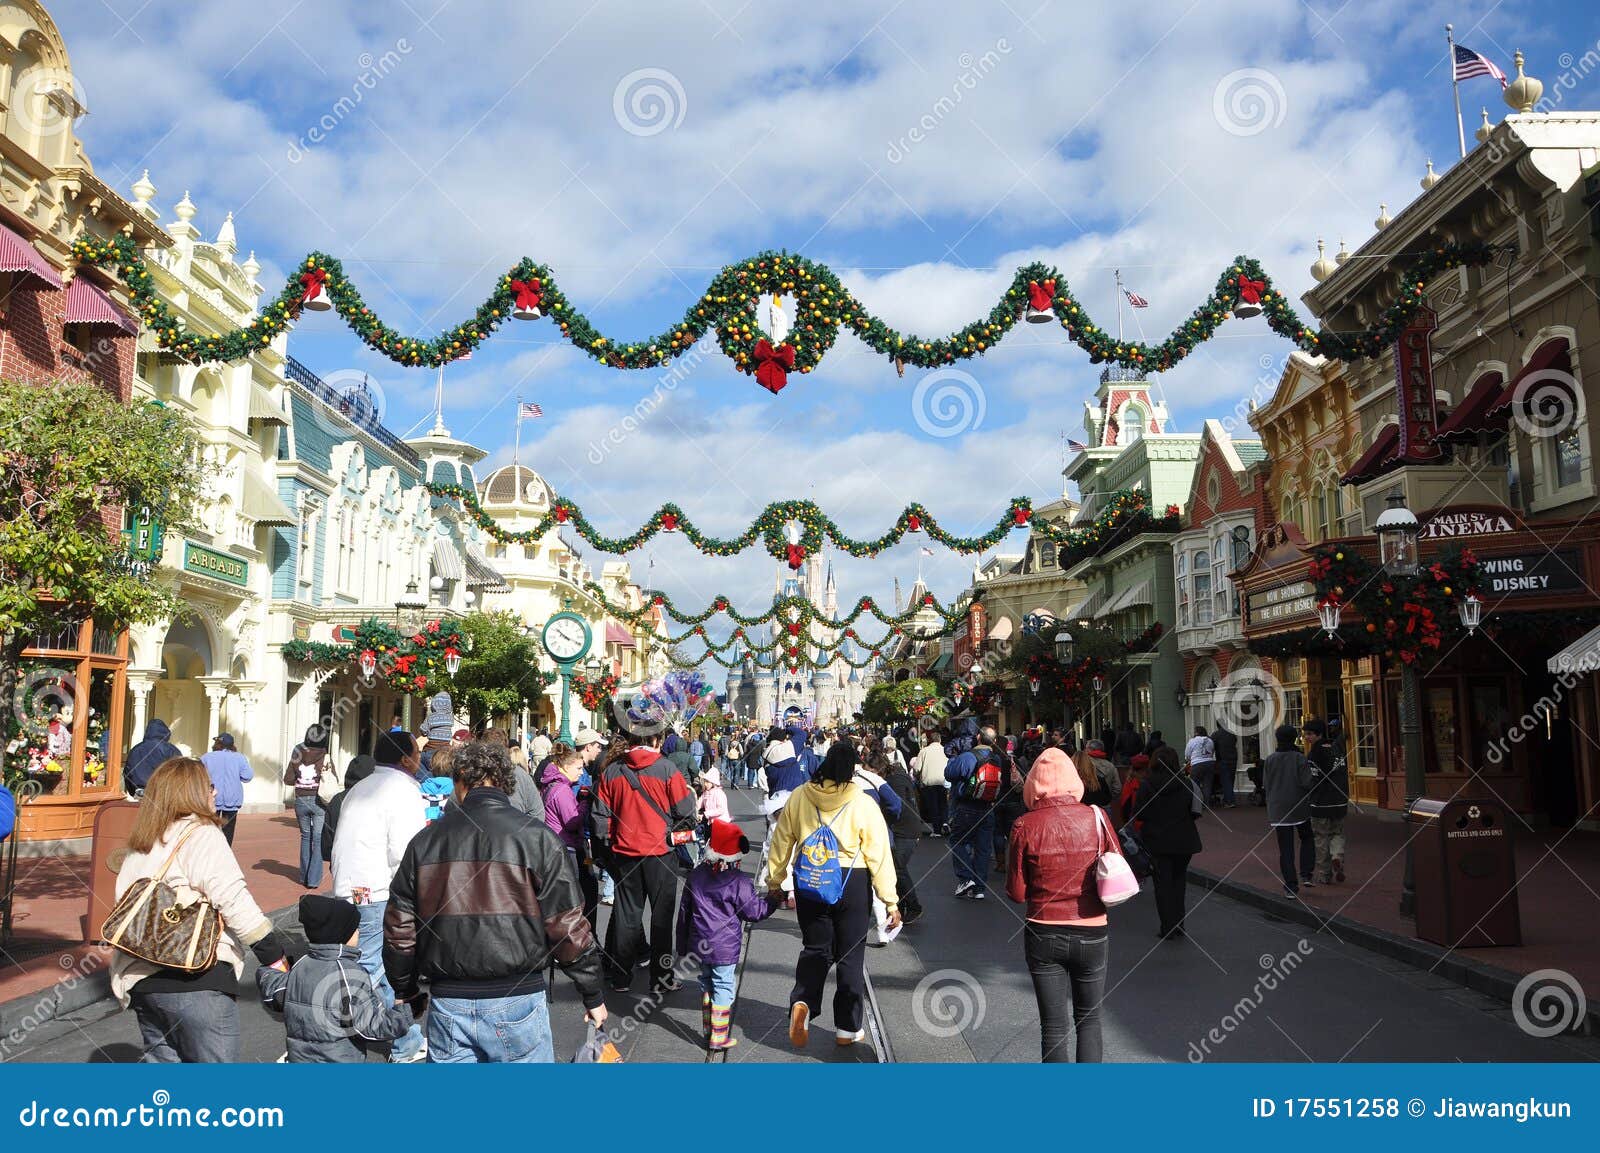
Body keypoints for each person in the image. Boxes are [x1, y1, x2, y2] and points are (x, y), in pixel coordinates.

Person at [386, 740, 607, 1063]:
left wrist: (404, 989)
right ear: (505, 783)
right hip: (517, 996)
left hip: (450, 998)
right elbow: (567, 926)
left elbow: (399, 928)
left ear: (460, 783)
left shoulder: (426, 842)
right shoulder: (537, 838)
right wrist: (592, 992)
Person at [109, 757, 289, 1062]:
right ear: (191, 792)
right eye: (209, 786)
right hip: (195, 980)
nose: (215, 793)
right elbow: (232, 898)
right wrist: (273, 955)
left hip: (143, 981)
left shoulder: (144, 839)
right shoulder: (201, 833)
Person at [766, 742, 899, 1048]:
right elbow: (878, 854)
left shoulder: (800, 796)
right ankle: (847, 1028)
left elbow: (781, 840)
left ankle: (803, 1003)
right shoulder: (863, 803)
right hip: (852, 880)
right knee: (851, 956)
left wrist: (775, 880)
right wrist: (890, 900)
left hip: (811, 880)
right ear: (852, 770)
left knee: (815, 948)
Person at [1004, 747, 1117, 1063]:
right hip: (1093, 928)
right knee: (1090, 1020)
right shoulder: (1097, 817)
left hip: (1044, 931)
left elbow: (1016, 892)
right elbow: (1117, 867)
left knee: (1053, 1026)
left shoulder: (1025, 825)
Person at [331, 731, 427, 1062]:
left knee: (375, 968)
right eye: (416, 753)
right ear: (405, 759)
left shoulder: (361, 786)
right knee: (372, 969)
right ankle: (399, 1042)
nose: (420, 759)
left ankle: (408, 1038)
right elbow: (406, 852)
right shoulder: (402, 790)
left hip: (351, 887)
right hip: (375, 890)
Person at [592, 726, 696, 992]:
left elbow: (600, 816)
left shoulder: (612, 771)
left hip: (625, 853)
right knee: (661, 920)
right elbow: (684, 809)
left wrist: (609, 845)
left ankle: (621, 977)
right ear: (656, 739)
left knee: (627, 917)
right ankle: (660, 979)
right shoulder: (667, 769)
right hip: (660, 851)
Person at [257, 894, 415, 1063]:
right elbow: (369, 1027)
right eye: (355, 929)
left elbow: (273, 990)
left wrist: (268, 969)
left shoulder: (300, 966)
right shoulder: (349, 974)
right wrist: (403, 1011)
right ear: (341, 935)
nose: (359, 932)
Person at [677, 818, 782, 1050]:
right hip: (725, 947)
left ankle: (709, 1029)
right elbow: (755, 912)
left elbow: (684, 912)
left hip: (699, 944)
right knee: (724, 985)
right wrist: (773, 901)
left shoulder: (695, 876)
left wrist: (682, 945)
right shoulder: (739, 881)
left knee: (706, 983)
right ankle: (719, 1035)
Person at [1133, 746, 1203, 940]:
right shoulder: (1187, 783)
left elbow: (1139, 813)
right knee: (1179, 882)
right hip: (1184, 840)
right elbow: (1195, 811)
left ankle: (1168, 926)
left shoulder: (1147, 785)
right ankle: (1179, 924)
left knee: (1162, 884)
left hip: (1157, 840)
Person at [944, 720, 1003, 899]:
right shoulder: (997, 759)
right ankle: (979, 888)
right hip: (988, 807)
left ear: (978, 737)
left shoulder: (968, 757)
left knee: (958, 841)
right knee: (983, 849)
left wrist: (954, 758)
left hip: (968, 806)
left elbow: (949, 773)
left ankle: (965, 878)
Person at [1263, 723, 1316, 897]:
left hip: (1278, 808)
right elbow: (1307, 783)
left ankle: (1291, 886)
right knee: (1307, 837)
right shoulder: (1299, 758)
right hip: (1298, 805)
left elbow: (1266, 784)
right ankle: (1306, 873)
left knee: (1285, 849)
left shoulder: (1270, 759)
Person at [879, 740, 926, 924]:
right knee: (896, 868)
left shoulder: (894, 780)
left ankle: (914, 906)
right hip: (907, 829)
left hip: (906, 830)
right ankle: (902, 905)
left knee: (898, 869)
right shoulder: (899, 776)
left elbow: (896, 807)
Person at [283, 725, 334, 888]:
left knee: (306, 837)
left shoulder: (297, 751)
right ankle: (313, 879)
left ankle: (303, 876)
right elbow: (333, 777)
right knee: (318, 839)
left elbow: (288, 779)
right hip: (319, 800)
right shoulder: (325, 754)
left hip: (301, 799)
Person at [1305, 718, 1349, 884]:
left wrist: (1309, 794)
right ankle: (1337, 856)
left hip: (1321, 802)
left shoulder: (1315, 753)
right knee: (1337, 833)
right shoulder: (1337, 748)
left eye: (1309, 734)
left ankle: (1325, 873)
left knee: (1321, 836)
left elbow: (1313, 779)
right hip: (1340, 800)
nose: (1306, 738)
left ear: (1318, 734)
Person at [321, 754, 375, 865]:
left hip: (341, 864)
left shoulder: (337, 800)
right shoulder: (378, 799)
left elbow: (326, 844)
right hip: (371, 865)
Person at [200, 733, 252, 844]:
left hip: (211, 798)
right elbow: (247, 776)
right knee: (228, 831)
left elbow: (198, 776)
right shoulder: (240, 758)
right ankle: (225, 854)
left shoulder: (206, 757)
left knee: (210, 830)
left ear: (217, 743)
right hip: (232, 799)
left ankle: (210, 854)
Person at [123, 718, 181, 795]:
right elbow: (180, 773)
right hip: (161, 794)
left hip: (139, 793)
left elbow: (128, 772)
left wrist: (132, 791)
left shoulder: (135, 750)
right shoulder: (170, 749)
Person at [914, 728, 949, 836]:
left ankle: (937, 830)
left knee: (933, 806)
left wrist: (917, 777)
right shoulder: (945, 750)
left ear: (930, 740)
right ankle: (945, 822)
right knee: (943, 804)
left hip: (929, 783)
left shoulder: (924, 751)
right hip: (943, 782)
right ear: (940, 740)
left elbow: (916, 769)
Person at [1076, 739, 1120, 811]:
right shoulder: (1111, 766)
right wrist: (1107, 798)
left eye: (1086, 748)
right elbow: (1117, 788)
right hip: (1104, 806)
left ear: (1089, 749)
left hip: (1086, 806)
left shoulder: (1083, 764)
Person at [1182, 725, 1218, 813]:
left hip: (1197, 764)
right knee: (1207, 784)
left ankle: (1196, 805)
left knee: (1195, 785)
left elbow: (1187, 754)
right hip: (1209, 763)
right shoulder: (1210, 740)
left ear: (1197, 732)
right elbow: (1212, 751)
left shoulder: (1192, 741)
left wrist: (1189, 759)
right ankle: (1207, 804)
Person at [1211, 721, 1240, 807]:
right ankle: (1228, 798)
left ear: (1218, 726)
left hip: (1223, 759)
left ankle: (1229, 801)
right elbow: (1235, 742)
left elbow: (1211, 745)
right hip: (1233, 758)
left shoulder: (1216, 734)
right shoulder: (1232, 733)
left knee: (1225, 780)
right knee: (1231, 779)